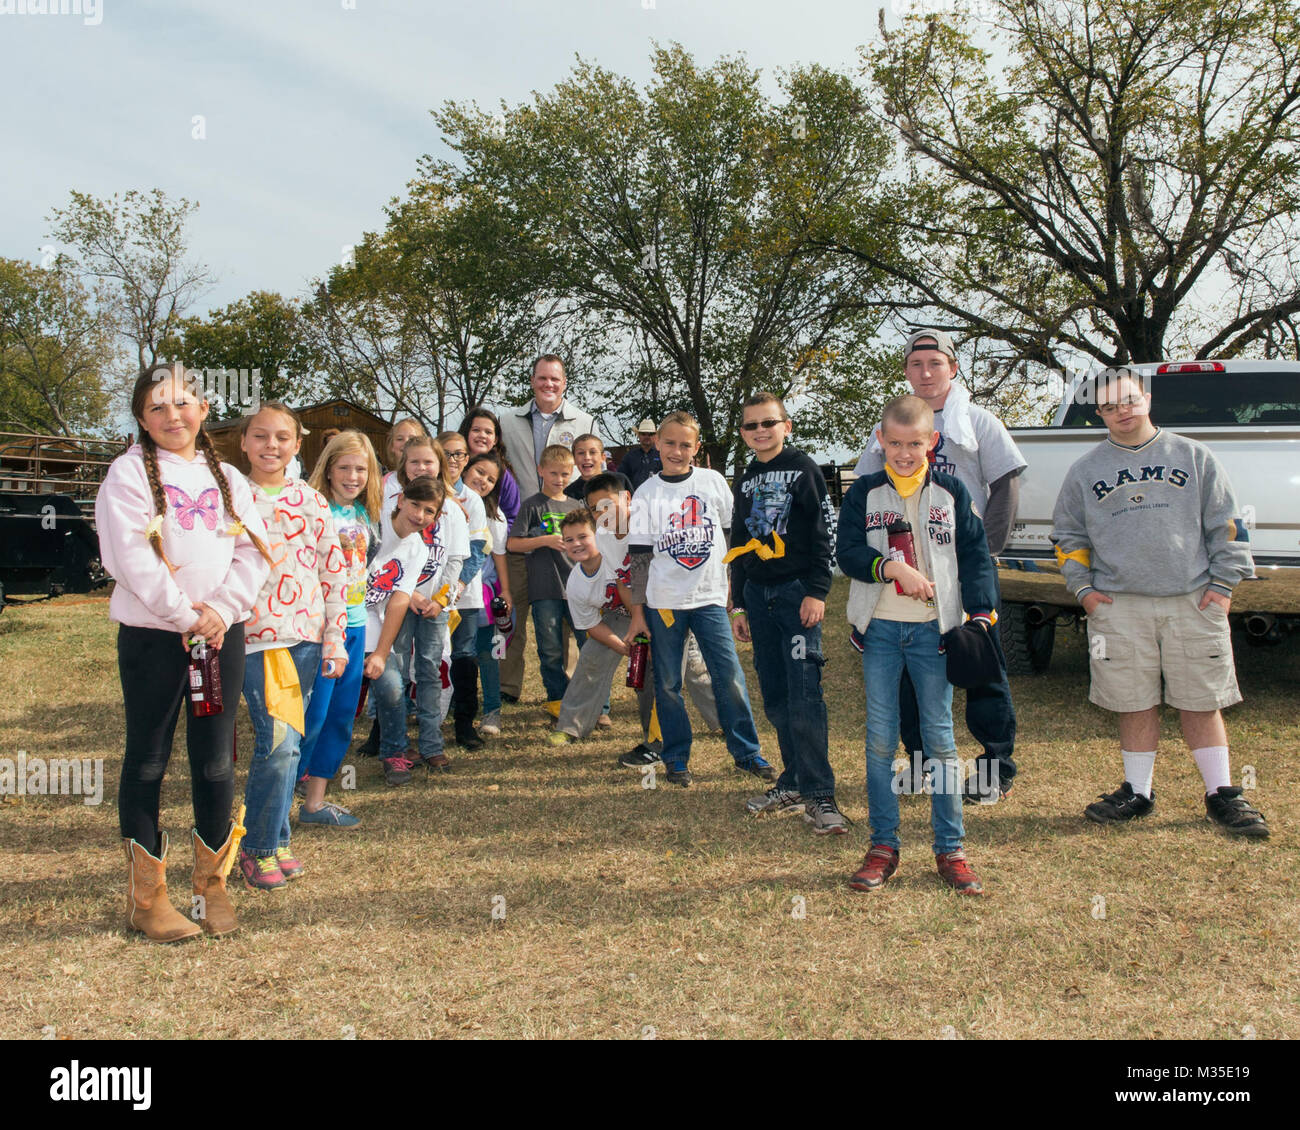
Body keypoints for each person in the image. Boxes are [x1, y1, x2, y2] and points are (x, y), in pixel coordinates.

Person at [1051, 368, 1268, 838]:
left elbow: (1227, 526)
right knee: (1134, 702)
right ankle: (1138, 791)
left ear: (1145, 397)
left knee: (1201, 701)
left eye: (1128, 400)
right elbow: (1068, 536)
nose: (1121, 412)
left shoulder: (1194, 456)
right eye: (1109, 407)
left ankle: (1222, 794)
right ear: (1099, 413)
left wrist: (1223, 585)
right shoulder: (1085, 470)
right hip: (1119, 604)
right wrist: (1084, 592)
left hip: (1191, 599)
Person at [97, 362, 272, 942]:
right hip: (156, 636)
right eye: (157, 408)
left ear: (202, 408)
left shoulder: (229, 477)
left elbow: (253, 551)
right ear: (142, 420)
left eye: (182, 403)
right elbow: (129, 557)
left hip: (221, 635)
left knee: (216, 758)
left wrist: (220, 612)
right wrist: (185, 615)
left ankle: (210, 886)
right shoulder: (127, 476)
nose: (172, 416)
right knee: (148, 759)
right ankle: (148, 900)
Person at [853, 330, 1026, 803]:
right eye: (916, 364)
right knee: (912, 671)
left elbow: (1006, 486)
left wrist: (981, 555)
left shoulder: (980, 422)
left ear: (953, 367)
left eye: (935, 362)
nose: (925, 372)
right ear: (906, 371)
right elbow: (869, 485)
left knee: (980, 666)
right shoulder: (890, 424)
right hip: (907, 574)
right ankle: (920, 762)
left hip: (963, 565)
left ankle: (994, 767)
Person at [838, 394, 999, 895]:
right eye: (894, 443)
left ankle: (951, 850)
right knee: (881, 741)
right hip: (882, 630)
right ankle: (883, 846)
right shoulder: (862, 492)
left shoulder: (951, 491)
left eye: (914, 443)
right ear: (880, 441)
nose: (904, 453)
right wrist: (889, 567)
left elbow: (976, 556)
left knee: (940, 740)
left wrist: (981, 615)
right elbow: (846, 552)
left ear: (933, 441)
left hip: (936, 632)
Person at [630, 411, 775, 788]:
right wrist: (637, 612)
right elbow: (641, 558)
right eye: (670, 443)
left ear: (696, 448)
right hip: (664, 602)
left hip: (710, 597)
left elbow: (734, 538)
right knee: (667, 683)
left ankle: (747, 753)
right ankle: (675, 758)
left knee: (728, 676)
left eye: (685, 444)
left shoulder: (711, 482)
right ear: (657, 443)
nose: (676, 451)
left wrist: (733, 588)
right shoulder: (647, 493)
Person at [236, 403, 348, 891]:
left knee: (287, 744)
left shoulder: (312, 500)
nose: (271, 446)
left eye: (282, 437)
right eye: (260, 436)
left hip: (307, 637)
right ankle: (256, 846)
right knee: (278, 745)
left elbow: (334, 571)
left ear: (297, 445)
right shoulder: (231, 496)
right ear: (243, 442)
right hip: (255, 640)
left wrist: (335, 638)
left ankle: (278, 837)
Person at [727, 392, 845, 833]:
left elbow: (822, 533)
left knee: (804, 693)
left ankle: (820, 795)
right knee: (775, 693)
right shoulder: (747, 477)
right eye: (751, 425)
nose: (760, 431)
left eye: (768, 423)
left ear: (786, 425)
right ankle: (793, 780)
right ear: (743, 433)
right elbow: (739, 540)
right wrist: (738, 600)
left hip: (797, 595)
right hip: (758, 597)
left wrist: (817, 591)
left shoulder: (805, 470)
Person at [497, 355, 598, 703]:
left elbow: (591, 467)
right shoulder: (507, 420)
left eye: (555, 379)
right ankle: (507, 688)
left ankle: (568, 693)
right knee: (515, 612)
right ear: (532, 380)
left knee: (560, 621)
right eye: (542, 378)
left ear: (564, 382)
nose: (549, 385)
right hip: (519, 524)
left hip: (564, 527)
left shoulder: (584, 420)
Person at [297, 430, 382, 828]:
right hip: (321, 628)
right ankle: (281, 799)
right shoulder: (313, 510)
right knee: (311, 716)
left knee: (341, 716)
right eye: (344, 467)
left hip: (357, 624)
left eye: (361, 469)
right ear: (328, 470)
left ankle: (314, 805)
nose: (353, 476)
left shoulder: (365, 515)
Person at [379, 437, 467, 771]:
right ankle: (397, 746)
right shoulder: (390, 504)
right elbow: (383, 560)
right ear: (403, 466)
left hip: (435, 606)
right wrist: (409, 595)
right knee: (396, 673)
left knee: (430, 671)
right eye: (414, 462)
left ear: (440, 466)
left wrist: (440, 599)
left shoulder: (452, 511)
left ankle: (431, 744)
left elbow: (456, 561)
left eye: (428, 462)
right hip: (397, 603)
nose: (421, 468)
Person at [365, 476, 447, 786]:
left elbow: (399, 600)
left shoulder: (418, 548)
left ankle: (394, 753)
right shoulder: (374, 526)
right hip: (340, 613)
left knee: (391, 686)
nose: (419, 515)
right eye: (415, 504)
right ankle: (307, 762)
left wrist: (381, 654)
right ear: (400, 500)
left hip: (373, 615)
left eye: (429, 511)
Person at [548, 507, 652, 746]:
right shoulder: (575, 584)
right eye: (569, 539)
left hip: (654, 609)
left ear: (597, 536)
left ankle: (721, 721)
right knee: (592, 658)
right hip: (621, 617)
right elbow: (593, 626)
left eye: (583, 536)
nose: (577, 544)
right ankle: (570, 727)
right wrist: (623, 647)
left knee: (694, 667)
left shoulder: (613, 555)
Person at [506, 444, 583, 715]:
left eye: (564, 474)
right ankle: (556, 701)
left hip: (577, 589)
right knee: (550, 651)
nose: (559, 479)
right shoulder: (531, 505)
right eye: (553, 473)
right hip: (545, 590)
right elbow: (513, 544)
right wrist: (545, 540)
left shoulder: (576, 507)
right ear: (540, 471)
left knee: (587, 646)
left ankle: (595, 703)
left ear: (571, 473)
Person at [438, 431, 490, 750]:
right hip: (426, 595)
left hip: (463, 595)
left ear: (467, 459)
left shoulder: (472, 499)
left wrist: (457, 584)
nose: (453, 461)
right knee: (422, 659)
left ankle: (464, 725)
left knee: (464, 656)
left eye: (459, 455)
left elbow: (479, 546)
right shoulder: (422, 493)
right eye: (446, 454)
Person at [462, 451, 513, 737]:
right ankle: (455, 705)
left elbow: (500, 556)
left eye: (491, 479)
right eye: (479, 472)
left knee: (490, 652)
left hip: (482, 597)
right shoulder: (444, 504)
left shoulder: (495, 516)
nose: (483, 480)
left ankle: (492, 709)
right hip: (448, 597)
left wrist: (505, 591)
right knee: (457, 654)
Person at [460, 406, 522, 528]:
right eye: (476, 430)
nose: (482, 435)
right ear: (467, 432)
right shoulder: (454, 464)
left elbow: (513, 517)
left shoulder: (503, 474)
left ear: (495, 439)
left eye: (488, 432)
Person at [565, 433, 633, 501]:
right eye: (581, 453)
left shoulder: (620, 480)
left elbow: (630, 508)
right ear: (574, 459)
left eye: (592, 452)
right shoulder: (569, 493)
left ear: (603, 457)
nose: (587, 457)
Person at [618, 418, 662, 489]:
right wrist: (622, 499)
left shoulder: (663, 455)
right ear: (638, 435)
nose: (647, 437)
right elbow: (621, 480)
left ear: (655, 436)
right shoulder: (629, 456)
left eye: (650, 434)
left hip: (658, 497)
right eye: (643, 434)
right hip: (634, 497)